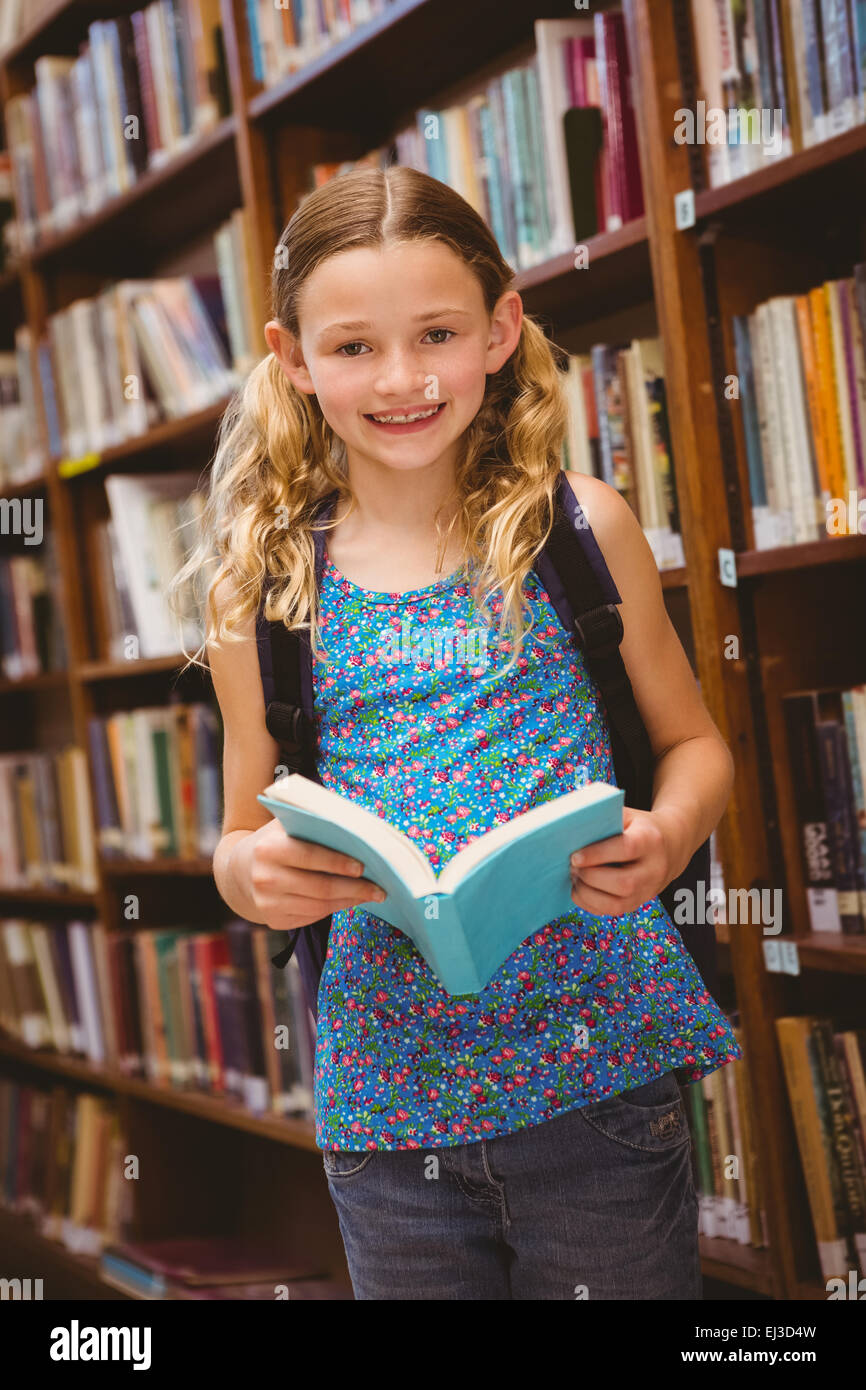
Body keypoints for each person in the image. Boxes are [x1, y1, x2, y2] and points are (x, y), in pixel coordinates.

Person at [180, 164, 742, 1300]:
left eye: (435, 333)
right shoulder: (265, 588)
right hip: (390, 1119)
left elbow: (696, 745)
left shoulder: (578, 527)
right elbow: (235, 843)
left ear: (499, 329)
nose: (400, 379)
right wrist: (257, 874)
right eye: (352, 348)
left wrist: (669, 837)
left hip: (598, 1084)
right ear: (292, 360)